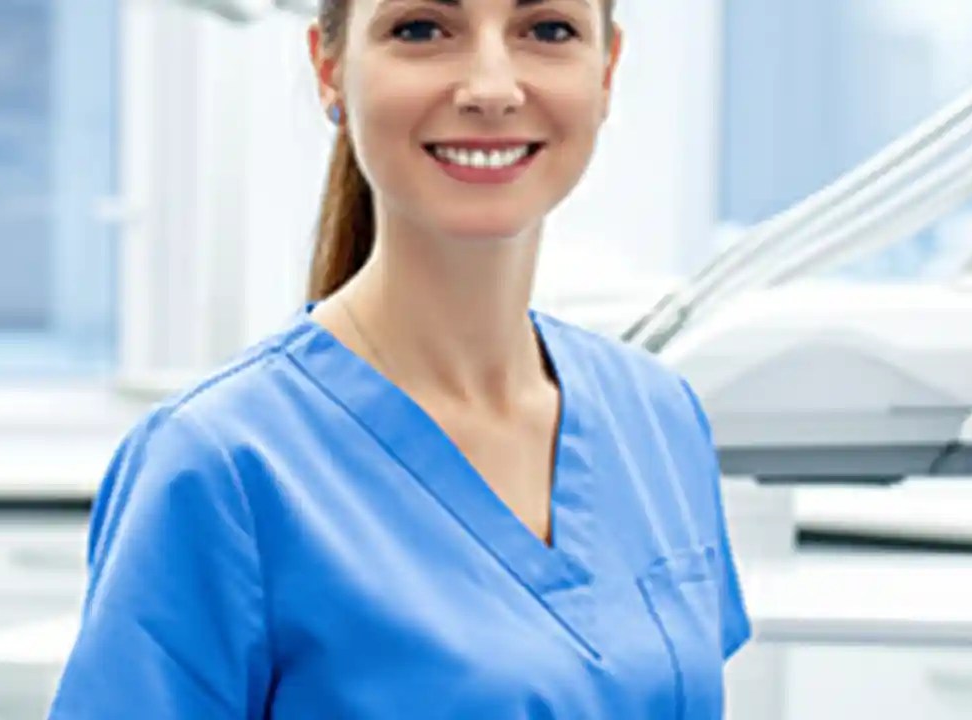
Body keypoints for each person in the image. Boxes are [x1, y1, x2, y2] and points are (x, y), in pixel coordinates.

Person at [48, 0, 751, 717]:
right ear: (330, 70)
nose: (492, 87)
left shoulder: (658, 420)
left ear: (607, 70)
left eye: (547, 30)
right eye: (421, 29)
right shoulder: (222, 466)